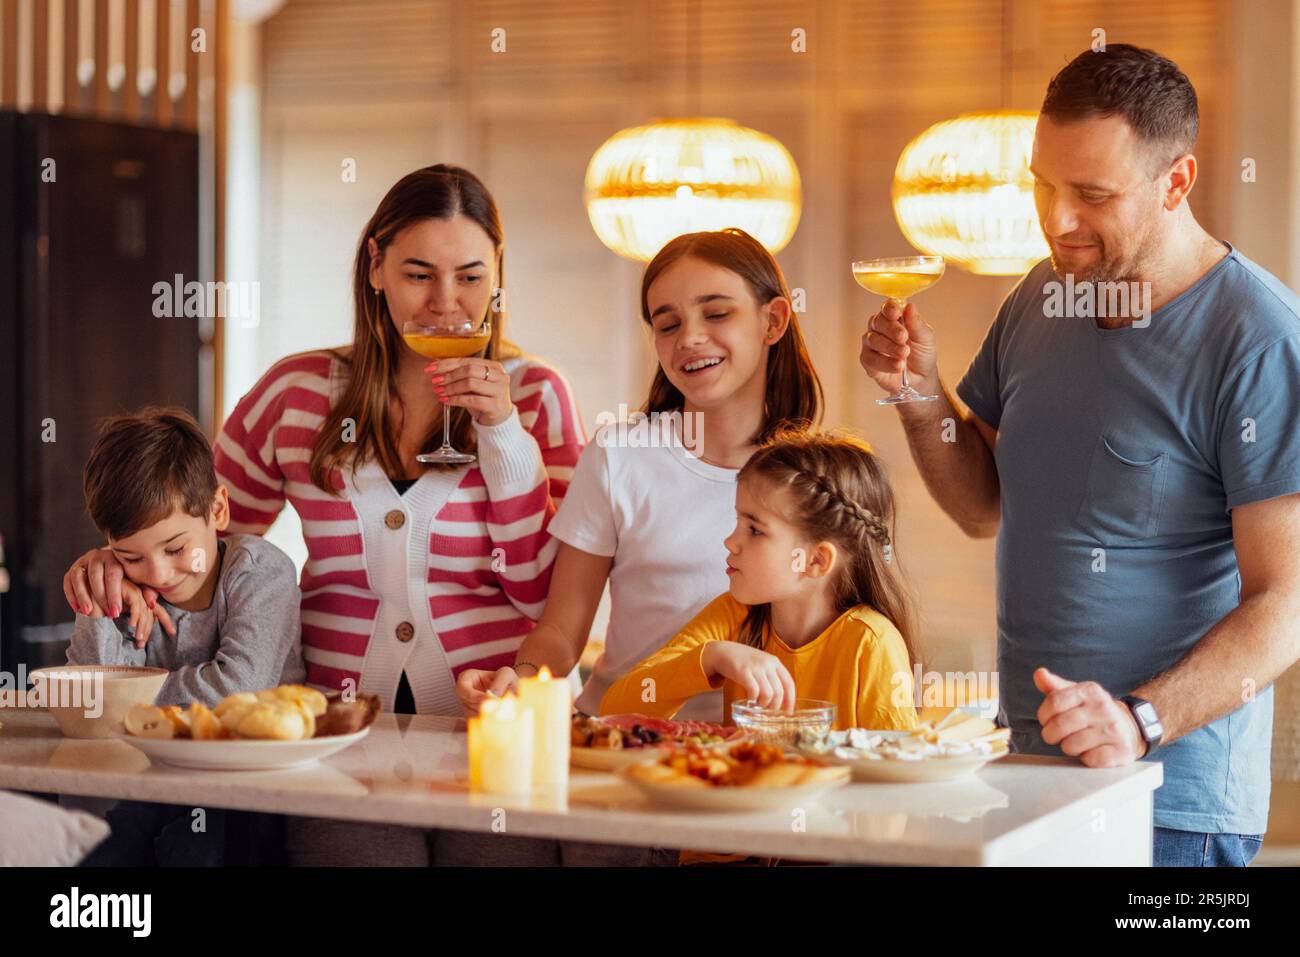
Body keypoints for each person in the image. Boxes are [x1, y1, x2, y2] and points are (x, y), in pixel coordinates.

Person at [858, 44, 1300, 867]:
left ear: (1177, 182)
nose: (1057, 221)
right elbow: (979, 505)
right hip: (1023, 779)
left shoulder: (1259, 339)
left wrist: (1140, 719)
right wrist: (919, 393)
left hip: (1173, 807)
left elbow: (1288, 601)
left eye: (1093, 195)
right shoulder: (1040, 295)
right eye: (1043, 185)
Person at [67, 406, 302, 866]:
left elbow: (238, 693)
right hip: (148, 783)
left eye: (175, 548)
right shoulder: (127, 586)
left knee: (196, 848)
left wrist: (130, 700)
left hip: (244, 789)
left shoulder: (260, 573)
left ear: (217, 510)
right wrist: (101, 594)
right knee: (90, 848)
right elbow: (90, 697)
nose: (157, 572)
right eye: (130, 556)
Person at [602, 428, 918, 736]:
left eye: (754, 530)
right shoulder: (734, 615)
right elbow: (616, 710)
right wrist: (712, 657)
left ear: (816, 561)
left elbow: (900, 769)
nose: (730, 541)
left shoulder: (872, 643)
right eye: (737, 521)